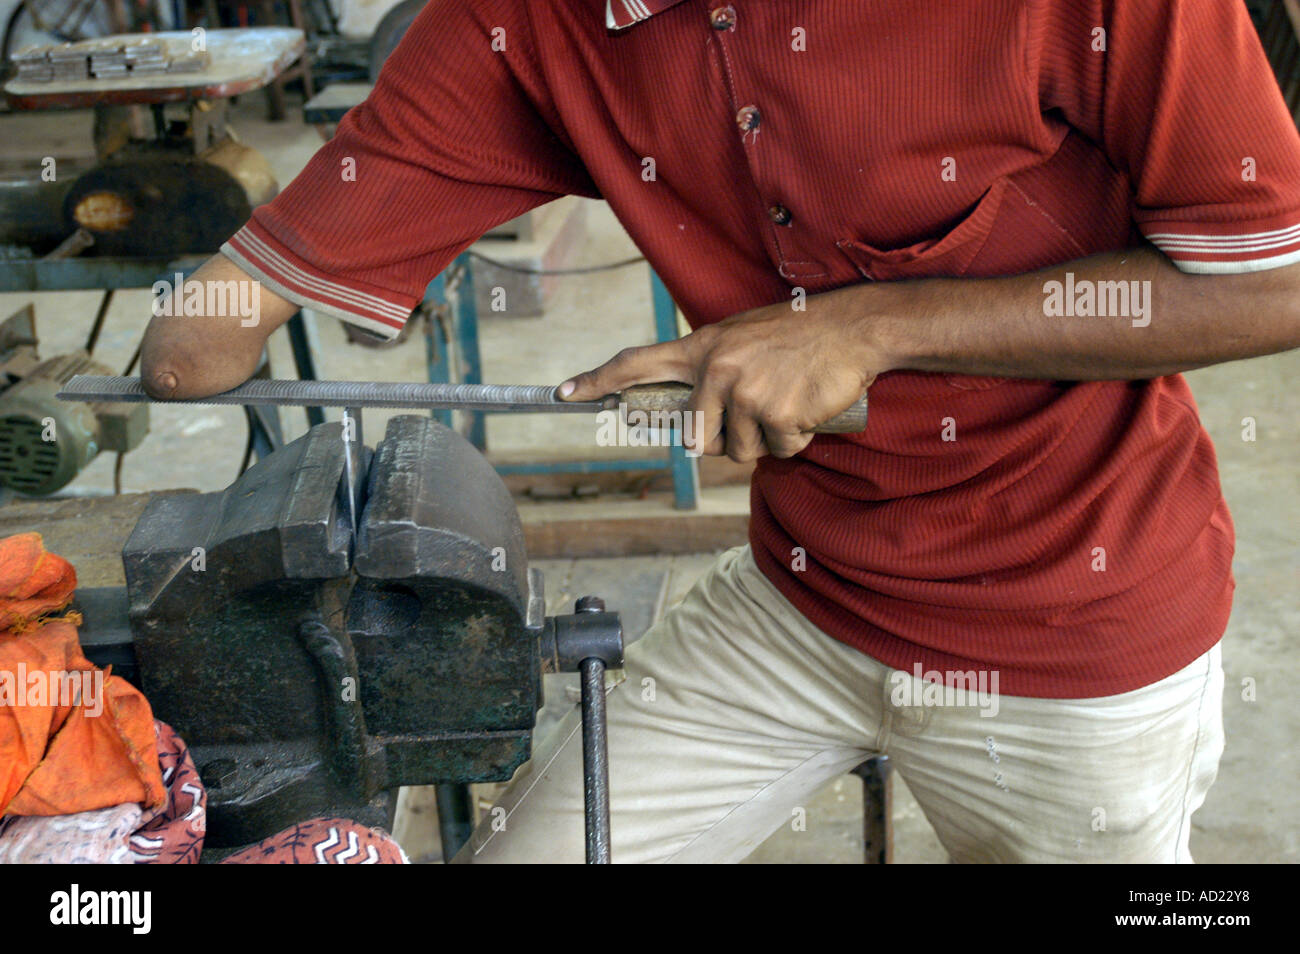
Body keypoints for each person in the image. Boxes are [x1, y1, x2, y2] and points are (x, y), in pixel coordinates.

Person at [140, 0, 1300, 862]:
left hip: (1073, 628)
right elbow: (209, 335)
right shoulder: (533, 19)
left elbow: (1273, 282)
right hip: (799, 599)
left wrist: (867, 329)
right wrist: (197, 312)